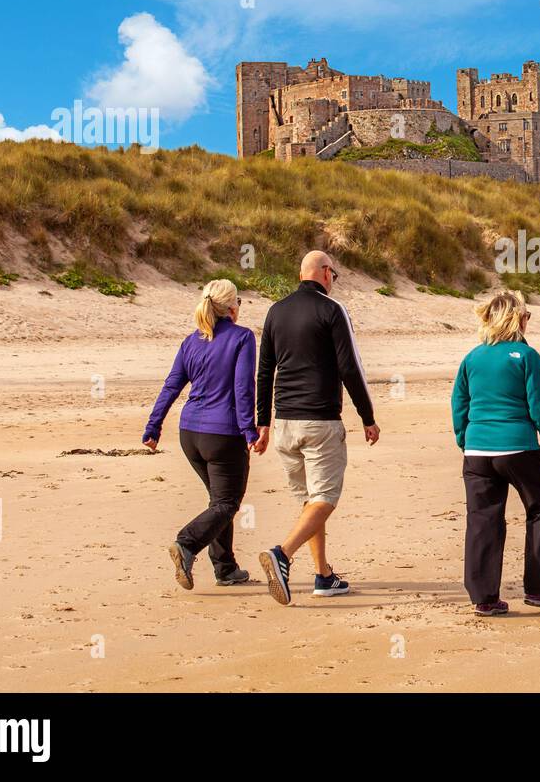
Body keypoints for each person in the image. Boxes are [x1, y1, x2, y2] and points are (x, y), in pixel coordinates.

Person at [254, 250, 379, 606]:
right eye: (334, 275)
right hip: (320, 421)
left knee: (310, 504)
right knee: (324, 500)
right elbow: (350, 367)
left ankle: (323, 575)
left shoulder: (276, 311)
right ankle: (282, 554)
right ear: (325, 273)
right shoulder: (331, 309)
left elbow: (265, 371)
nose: (334, 281)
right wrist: (367, 417)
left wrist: (262, 423)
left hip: (284, 424)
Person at [452, 291, 540, 617]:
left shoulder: (472, 358)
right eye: (527, 315)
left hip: (477, 453)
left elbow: (459, 406)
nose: (528, 320)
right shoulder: (526, 356)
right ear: (517, 319)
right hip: (519, 449)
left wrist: (465, 440)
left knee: (482, 521)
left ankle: (484, 597)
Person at [143, 279, 260, 590]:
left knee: (218, 500)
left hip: (189, 434)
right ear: (232, 307)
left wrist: (153, 426)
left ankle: (225, 568)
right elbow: (243, 390)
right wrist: (250, 430)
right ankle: (186, 544)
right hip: (223, 434)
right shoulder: (242, 337)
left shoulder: (191, 341)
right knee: (227, 502)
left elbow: (171, 386)